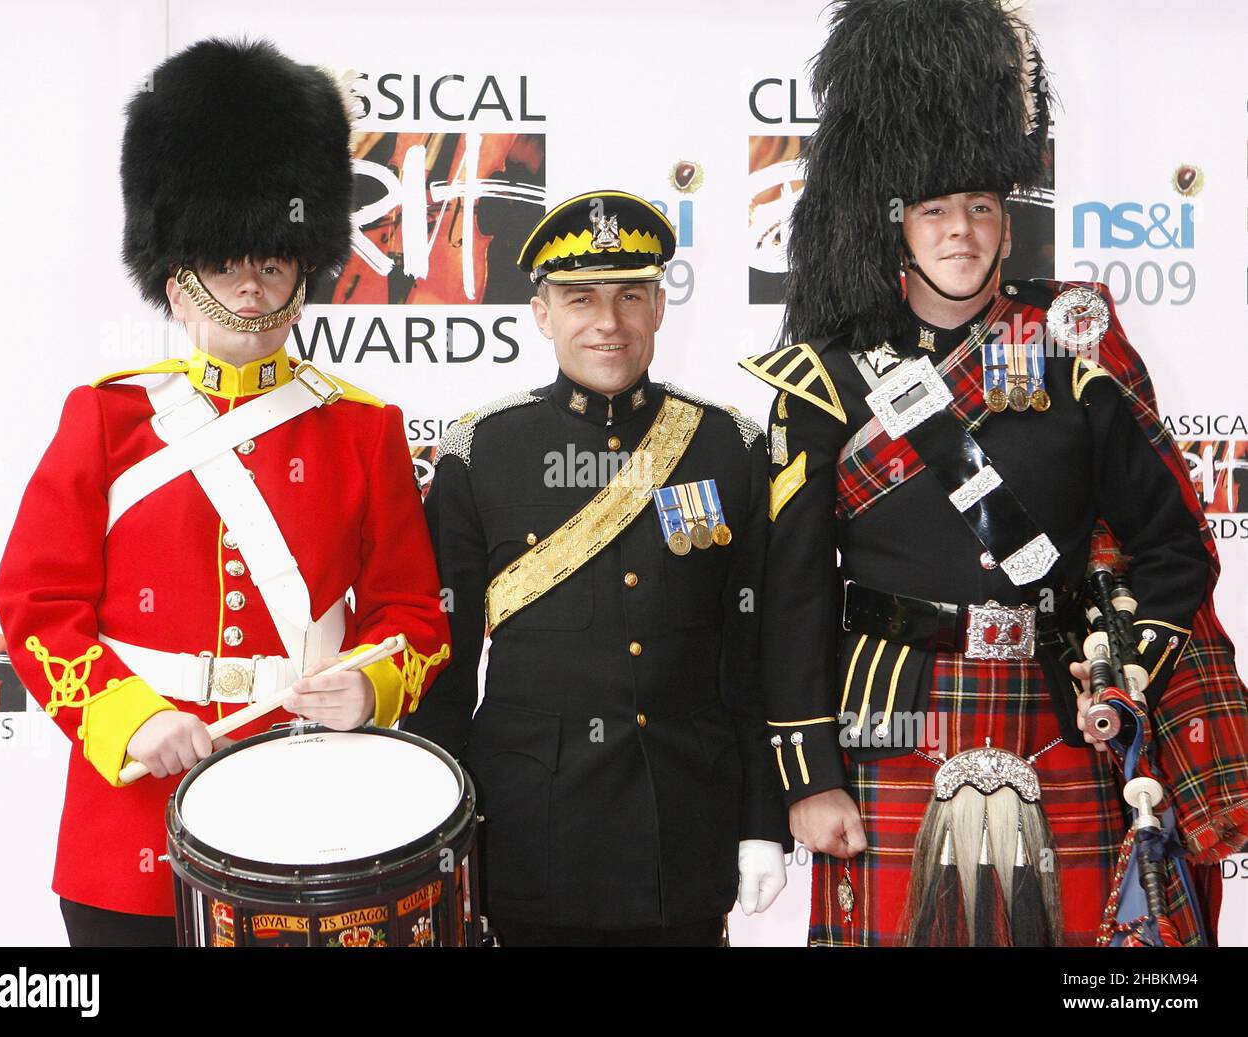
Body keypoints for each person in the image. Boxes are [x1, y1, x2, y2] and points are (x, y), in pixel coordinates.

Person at [743, 0, 1247, 946]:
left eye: (981, 207)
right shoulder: (828, 375)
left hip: (1062, 713)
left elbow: (1174, 545)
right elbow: (796, 592)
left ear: (1009, 225)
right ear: (900, 225)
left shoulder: (1076, 348)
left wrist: (1126, 674)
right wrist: (808, 777)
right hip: (889, 718)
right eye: (936, 209)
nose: (961, 231)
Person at [0, 38, 451, 947]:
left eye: (275, 261)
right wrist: (127, 717)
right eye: (230, 257)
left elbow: (412, 610)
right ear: (177, 275)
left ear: (303, 272)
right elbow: (37, 606)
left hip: (308, 818)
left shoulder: (362, 428)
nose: (252, 280)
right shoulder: (106, 419)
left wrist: (371, 684)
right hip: (130, 825)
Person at [404, 190, 788, 946]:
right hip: (530, 833)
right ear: (542, 313)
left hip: (681, 828)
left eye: (630, 297)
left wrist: (761, 823)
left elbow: (753, 661)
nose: (607, 324)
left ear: (659, 307)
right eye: (580, 299)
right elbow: (444, 667)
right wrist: (432, 829)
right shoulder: (479, 452)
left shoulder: (730, 446)